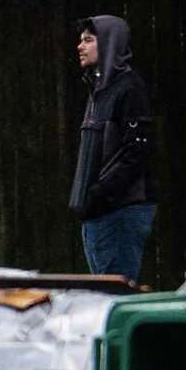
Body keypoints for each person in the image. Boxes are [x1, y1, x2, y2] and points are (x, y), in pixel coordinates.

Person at [70, 15, 158, 282]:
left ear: (109, 43)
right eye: (80, 40)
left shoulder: (129, 89)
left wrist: (100, 194)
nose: (80, 46)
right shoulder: (99, 91)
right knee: (101, 293)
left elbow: (137, 152)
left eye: (88, 40)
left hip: (120, 211)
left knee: (113, 292)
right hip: (97, 212)